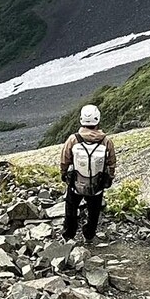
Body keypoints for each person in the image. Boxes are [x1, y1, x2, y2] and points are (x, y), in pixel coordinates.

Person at [59, 104, 117, 243]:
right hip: (97, 183)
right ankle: (89, 235)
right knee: (94, 210)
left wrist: (64, 173)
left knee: (71, 207)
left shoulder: (74, 139)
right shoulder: (106, 141)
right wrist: (110, 177)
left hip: (76, 182)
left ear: (81, 120)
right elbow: (111, 162)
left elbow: (64, 159)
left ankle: (69, 235)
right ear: (98, 120)